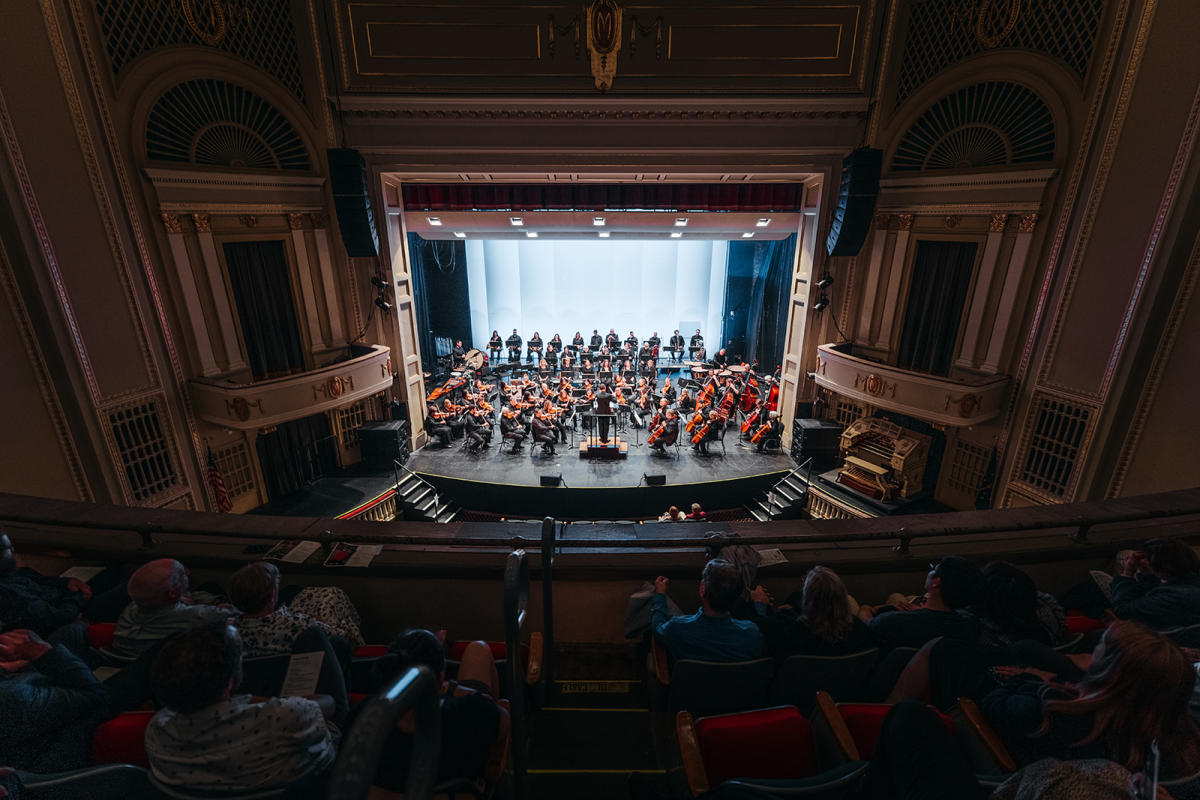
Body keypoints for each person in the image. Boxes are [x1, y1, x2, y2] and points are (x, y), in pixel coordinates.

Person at [982, 621, 1200, 784]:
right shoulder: (1181, 738)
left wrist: (1032, 679)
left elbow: (992, 704)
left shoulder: (1054, 711)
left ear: (1108, 669)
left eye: (1101, 647)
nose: (1092, 652)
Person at [145, 623, 337, 795]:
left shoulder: (157, 731)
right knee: (317, 638)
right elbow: (329, 703)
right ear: (228, 685)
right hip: (323, 776)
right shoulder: (281, 717)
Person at [366, 629, 507, 792]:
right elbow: (504, 720)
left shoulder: (363, 721)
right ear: (440, 680)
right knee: (478, 649)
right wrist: (454, 689)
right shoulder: (471, 713)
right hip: (464, 786)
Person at [0, 627, 111, 771]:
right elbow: (93, 694)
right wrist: (40, 651)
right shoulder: (12, 698)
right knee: (145, 664)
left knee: (72, 632)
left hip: (25, 696)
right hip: (67, 732)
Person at [0, 530, 127, 634]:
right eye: (8, 549)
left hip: (71, 599)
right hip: (75, 612)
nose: (13, 550)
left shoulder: (11, 573)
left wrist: (67, 582)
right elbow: (60, 617)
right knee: (129, 589)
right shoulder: (7, 595)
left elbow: (41, 580)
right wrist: (76, 595)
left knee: (115, 568)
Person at [229, 562, 363, 657]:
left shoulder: (226, 631)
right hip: (301, 690)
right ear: (271, 596)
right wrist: (319, 620)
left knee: (294, 590)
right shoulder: (297, 625)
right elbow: (343, 637)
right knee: (332, 597)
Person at [112, 559, 231, 659]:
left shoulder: (131, 609)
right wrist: (218, 604)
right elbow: (240, 611)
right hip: (173, 669)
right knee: (212, 587)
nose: (188, 572)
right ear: (172, 594)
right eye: (183, 574)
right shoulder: (200, 615)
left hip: (132, 665)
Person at [651, 559, 764, 663]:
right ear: (737, 596)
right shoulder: (751, 634)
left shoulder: (676, 628)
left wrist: (660, 595)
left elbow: (657, 628)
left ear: (702, 590)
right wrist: (760, 607)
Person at [751, 566, 876, 660]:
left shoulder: (790, 633)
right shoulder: (860, 631)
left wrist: (760, 604)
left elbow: (763, 628)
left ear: (809, 603)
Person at [861, 556, 981, 650]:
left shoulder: (891, 621)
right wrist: (922, 612)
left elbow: (864, 627)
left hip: (896, 676)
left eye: (933, 568)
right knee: (897, 597)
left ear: (936, 583)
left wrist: (866, 609)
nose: (930, 570)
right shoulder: (971, 623)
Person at [1110, 537, 1200, 629]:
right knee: (1123, 554)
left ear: (1164, 567)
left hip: (1156, 634)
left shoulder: (1171, 596)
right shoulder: (1188, 578)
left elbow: (1122, 611)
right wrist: (1147, 571)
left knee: (1096, 576)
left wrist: (1128, 573)